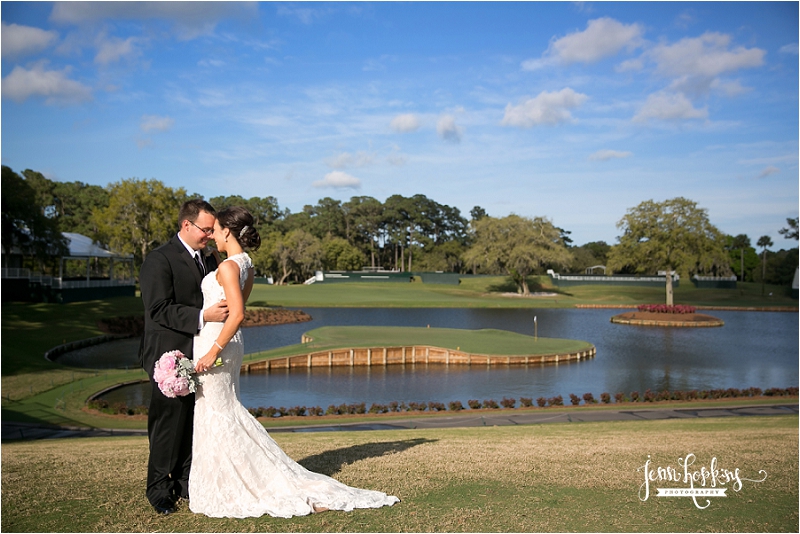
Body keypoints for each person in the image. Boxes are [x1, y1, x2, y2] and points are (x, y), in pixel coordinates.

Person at [189, 206, 399, 518]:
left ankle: (242, 483)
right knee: (223, 410)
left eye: (216, 230)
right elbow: (239, 305)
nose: (213, 236)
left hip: (218, 344)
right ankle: (229, 477)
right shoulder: (246, 264)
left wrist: (212, 350)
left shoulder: (230, 267)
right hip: (228, 343)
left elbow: (238, 312)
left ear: (228, 232)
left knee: (218, 411)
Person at [139, 199, 229, 515]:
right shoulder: (159, 259)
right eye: (205, 229)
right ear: (186, 225)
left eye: (212, 230)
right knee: (167, 425)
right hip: (168, 356)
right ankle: (158, 491)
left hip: (198, 355)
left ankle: (184, 484)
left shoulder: (207, 258)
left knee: (191, 423)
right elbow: (158, 309)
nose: (209, 235)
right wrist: (204, 316)